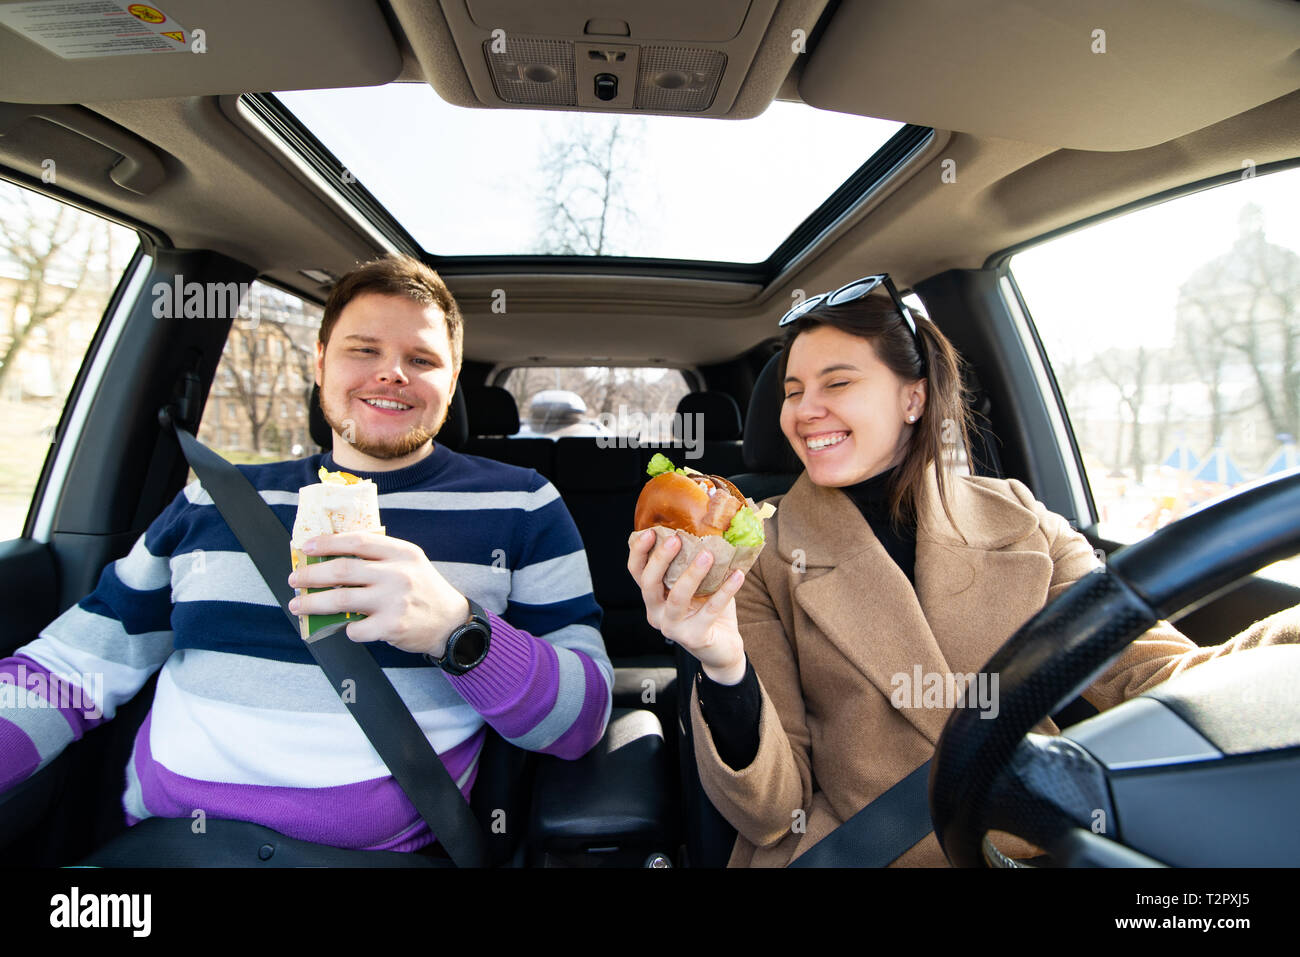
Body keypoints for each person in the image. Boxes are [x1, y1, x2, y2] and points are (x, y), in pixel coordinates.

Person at [628, 273, 1300, 867]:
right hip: (858, 848)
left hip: (1029, 845)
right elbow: (772, 808)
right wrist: (721, 664)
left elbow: (1156, 675)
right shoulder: (758, 546)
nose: (804, 410)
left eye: (838, 383)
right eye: (794, 389)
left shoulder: (1020, 517)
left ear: (913, 399)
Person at [0, 254, 612, 858]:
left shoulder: (523, 504)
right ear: (320, 364)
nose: (392, 373)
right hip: (167, 850)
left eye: (421, 359)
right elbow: (74, 667)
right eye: (363, 349)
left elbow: (580, 722)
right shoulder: (210, 498)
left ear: (450, 383)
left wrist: (459, 631)